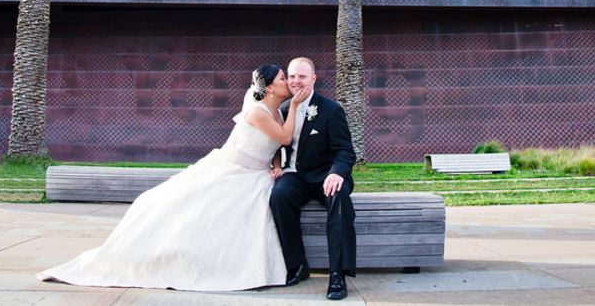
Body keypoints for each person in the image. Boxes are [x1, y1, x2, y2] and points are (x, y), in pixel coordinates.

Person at [37, 64, 312, 291]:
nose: (288, 82)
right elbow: (285, 136)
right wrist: (298, 106)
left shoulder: (277, 111)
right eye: (282, 78)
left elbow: (275, 144)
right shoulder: (257, 112)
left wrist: (275, 163)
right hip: (233, 171)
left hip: (255, 175)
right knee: (182, 209)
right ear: (268, 86)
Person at [271, 57, 357, 301]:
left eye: (302, 76)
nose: (296, 81)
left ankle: (338, 274)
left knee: (339, 199)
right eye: (292, 76)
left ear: (313, 79)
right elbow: (275, 144)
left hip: (327, 175)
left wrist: (337, 172)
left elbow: (345, 151)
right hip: (296, 176)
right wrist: (275, 166)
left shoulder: (331, 110)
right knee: (278, 196)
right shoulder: (284, 109)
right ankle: (297, 266)